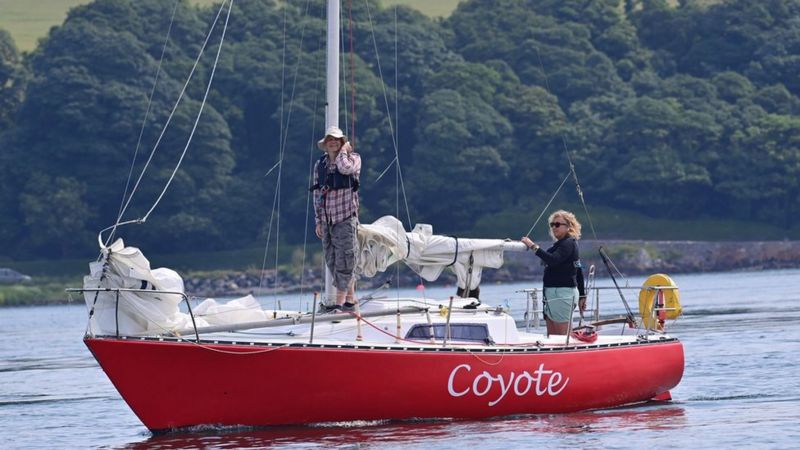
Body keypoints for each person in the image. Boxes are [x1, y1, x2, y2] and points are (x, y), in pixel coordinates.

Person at [311, 126, 361, 312]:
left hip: (345, 217)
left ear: (342, 142)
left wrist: (343, 152)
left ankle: (339, 305)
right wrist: (318, 219)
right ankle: (350, 301)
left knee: (345, 260)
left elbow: (345, 169)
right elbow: (317, 194)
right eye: (330, 139)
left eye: (337, 140)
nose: (333, 142)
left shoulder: (353, 159)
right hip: (327, 219)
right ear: (325, 144)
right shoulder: (321, 165)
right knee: (332, 260)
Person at [521, 210, 586, 336]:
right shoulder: (560, 245)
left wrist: (533, 246)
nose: (554, 227)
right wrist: (582, 294)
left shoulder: (568, 244)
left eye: (557, 224)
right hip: (552, 294)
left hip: (562, 293)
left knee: (562, 336)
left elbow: (553, 260)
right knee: (553, 336)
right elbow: (578, 269)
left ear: (568, 227)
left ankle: (569, 354)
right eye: (552, 225)